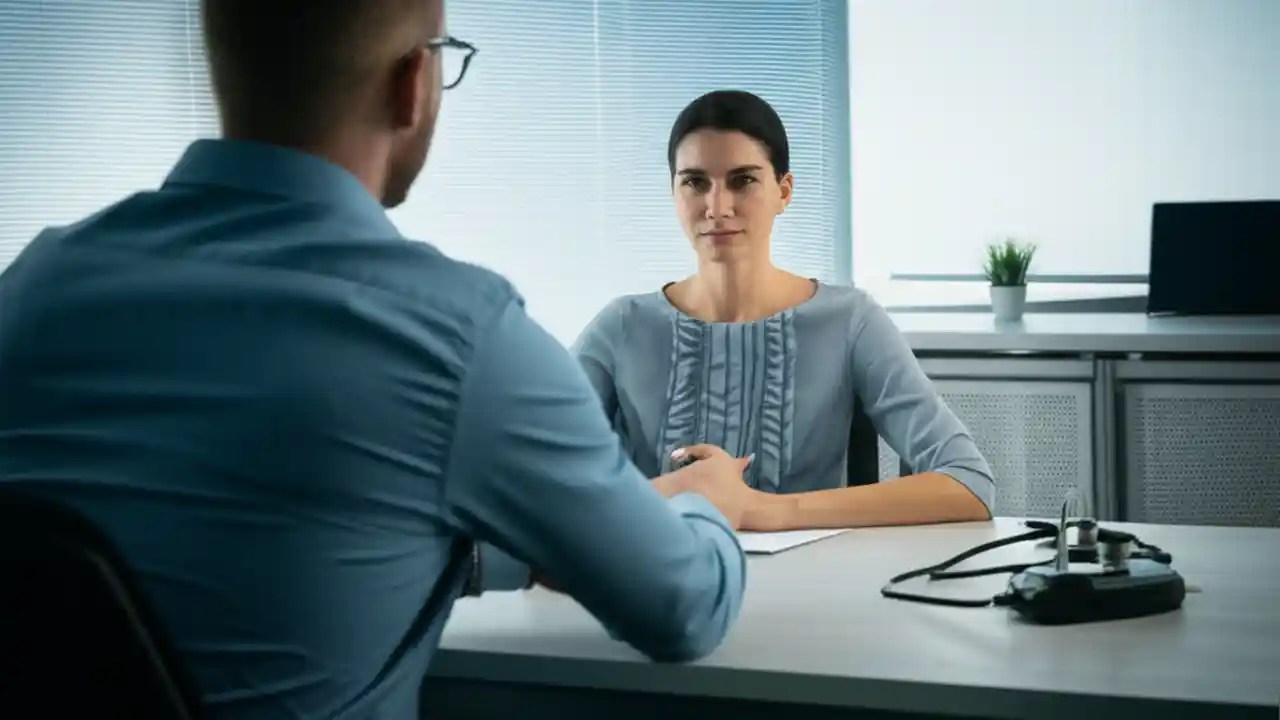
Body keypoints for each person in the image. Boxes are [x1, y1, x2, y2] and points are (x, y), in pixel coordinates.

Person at [0, 3, 750, 718]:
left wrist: (496, 555)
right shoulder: (456, 335)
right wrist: (704, 505)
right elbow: (683, 611)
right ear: (412, 84)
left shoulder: (33, 288)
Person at [573, 89, 996, 532]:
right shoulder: (620, 327)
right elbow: (524, 476)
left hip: (812, 591)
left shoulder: (851, 321)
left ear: (784, 191)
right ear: (673, 191)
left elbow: (967, 482)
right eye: (695, 182)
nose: (717, 207)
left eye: (743, 180)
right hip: (652, 585)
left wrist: (756, 509)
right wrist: (670, 495)